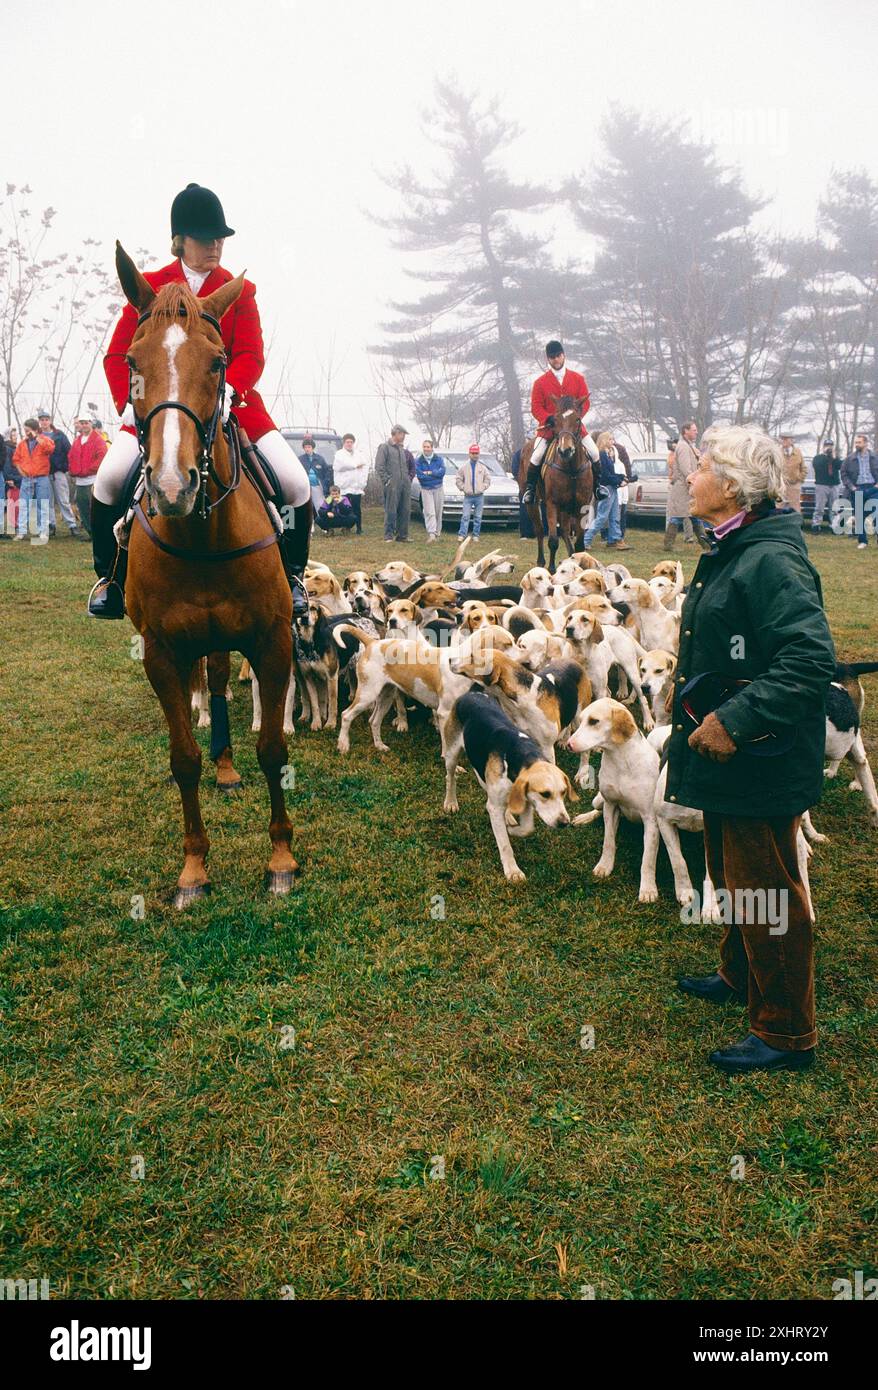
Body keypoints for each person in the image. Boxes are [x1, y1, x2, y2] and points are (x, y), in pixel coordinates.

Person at [668, 425, 835, 1075]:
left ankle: (786, 1030)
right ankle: (740, 975)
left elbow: (808, 658)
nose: (690, 474)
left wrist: (734, 720)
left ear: (733, 487)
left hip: (758, 751)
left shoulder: (771, 560)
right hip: (734, 752)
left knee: (765, 886)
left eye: (702, 467)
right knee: (733, 872)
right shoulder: (740, 543)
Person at [88, 182, 311, 619]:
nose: (215, 245)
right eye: (206, 237)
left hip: (235, 408)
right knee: (109, 480)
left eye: (220, 237)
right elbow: (118, 356)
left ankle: (293, 577)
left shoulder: (239, 291)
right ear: (180, 240)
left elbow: (250, 354)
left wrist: (231, 389)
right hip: (157, 411)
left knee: (296, 483)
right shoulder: (149, 287)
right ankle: (111, 580)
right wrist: (138, 402)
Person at [521, 340, 599, 504]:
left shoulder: (577, 378)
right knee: (536, 456)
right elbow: (536, 407)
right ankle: (530, 490)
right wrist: (547, 418)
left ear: (563, 355)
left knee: (594, 451)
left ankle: (599, 487)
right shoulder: (540, 382)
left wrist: (575, 420)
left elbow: (585, 403)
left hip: (573, 429)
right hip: (549, 429)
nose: (556, 360)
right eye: (552, 357)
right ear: (548, 359)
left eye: (558, 356)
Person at [580, 431, 630, 552]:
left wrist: (621, 478)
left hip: (611, 487)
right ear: (604, 441)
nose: (613, 442)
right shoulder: (601, 454)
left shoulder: (607, 454)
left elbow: (610, 473)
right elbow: (605, 475)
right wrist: (619, 481)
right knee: (602, 517)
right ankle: (585, 540)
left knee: (614, 515)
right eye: (610, 439)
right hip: (607, 488)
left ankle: (615, 539)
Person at [666, 422, 710, 551]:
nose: (696, 432)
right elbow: (686, 470)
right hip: (683, 488)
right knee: (677, 517)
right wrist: (696, 482)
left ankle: (706, 544)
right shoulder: (684, 447)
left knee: (695, 517)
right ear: (686, 431)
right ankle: (668, 545)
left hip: (687, 488)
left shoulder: (688, 445)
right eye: (694, 430)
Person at [37, 409, 80, 539]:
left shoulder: (59, 435)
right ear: (39, 422)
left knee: (63, 500)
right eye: (42, 420)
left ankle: (72, 525)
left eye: (46, 419)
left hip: (58, 473)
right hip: (43, 474)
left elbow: (70, 451)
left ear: (50, 420)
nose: (44, 422)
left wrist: (65, 467)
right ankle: (51, 525)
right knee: (48, 501)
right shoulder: (37, 436)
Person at [12, 418, 55, 544]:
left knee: (43, 505)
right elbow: (16, 459)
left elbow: (50, 449)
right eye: (25, 430)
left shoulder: (45, 440)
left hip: (42, 478)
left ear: (35, 430)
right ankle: (21, 531)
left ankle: (43, 532)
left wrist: (37, 437)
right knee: (24, 505)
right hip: (27, 479)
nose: (26, 433)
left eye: (28, 430)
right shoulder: (22, 443)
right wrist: (21, 471)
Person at [68, 413, 107, 537]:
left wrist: (87, 470)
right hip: (80, 482)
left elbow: (101, 457)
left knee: (95, 509)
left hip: (93, 480)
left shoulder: (98, 439)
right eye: (82, 423)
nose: (84, 425)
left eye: (86, 423)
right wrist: (73, 470)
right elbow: (71, 457)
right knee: (82, 508)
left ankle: (99, 532)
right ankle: (90, 532)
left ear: (91, 424)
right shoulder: (77, 441)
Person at [841, 432, 878, 549]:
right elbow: (843, 474)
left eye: (859, 442)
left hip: (873, 488)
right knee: (859, 514)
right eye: (856, 442)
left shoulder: (875, 457)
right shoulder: (849, 459)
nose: (857, 444)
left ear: (866, 443)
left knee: (876, 512)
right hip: (858, 488)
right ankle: (863, 541)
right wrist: (852, 487)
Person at [375, 424, 411, 543]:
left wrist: (407, 480)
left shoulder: (401, 448)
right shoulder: (384, 447)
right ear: (396, 433)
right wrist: (387, 481)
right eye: (402, 434)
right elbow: (379, 466)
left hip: (404, 484)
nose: (404, 436)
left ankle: (402, 536)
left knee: (405, 510)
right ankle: (388, 535)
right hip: (392, 484)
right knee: (391, 510)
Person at [332, 433, 368, 536]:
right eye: (347, 442)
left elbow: (364, 466)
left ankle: (359, 528)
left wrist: (363, 483)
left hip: (356, 487)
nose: (349, 444)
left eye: (351, 442)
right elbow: (340, 466)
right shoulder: (339, 454)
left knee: (357, 508)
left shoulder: (358, 454)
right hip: (344, 487)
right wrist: (355, 466)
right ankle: (346, 527)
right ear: (344, 443)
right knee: (344, 508)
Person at [455, 444, 490, 541]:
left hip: (479, 496)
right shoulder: (464, 467)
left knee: (478, 517)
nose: (475, 455)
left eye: (476, 453)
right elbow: (458, 479)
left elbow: (487, 479)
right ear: (469, 454)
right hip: (468, 496)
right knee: (465, 516)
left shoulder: (482, 467)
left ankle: (476, 535)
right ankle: (462, 534)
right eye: (473, 453)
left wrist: (483, 487)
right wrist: (463, 488)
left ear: (479, 454)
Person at [414, 439, 446, 541]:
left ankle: (437, 534)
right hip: (426, 489)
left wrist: (429, 473)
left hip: (438, 488)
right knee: (429, 512)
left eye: (428, 447)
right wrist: (433, 474)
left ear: (432, 448)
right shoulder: (418, 461)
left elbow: (442, 473)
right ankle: (431, 534)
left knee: (437, 512)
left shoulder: (439, 459)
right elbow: (420, 476)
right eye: (424, 447)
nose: (426, 449)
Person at [810, 439, 841, 534]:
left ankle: (834, 525)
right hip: (822, 485)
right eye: (827, 445)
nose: (829, 447)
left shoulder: (835, 458)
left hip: (834, 485)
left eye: (831, 445)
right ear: (823, 446)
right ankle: (816, 524)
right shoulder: (818, 458)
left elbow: (840, 466)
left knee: (834, 508)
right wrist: (826, 456)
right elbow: (817, 466)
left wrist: (834, 457)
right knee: (819, 507)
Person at [2, 427, 22, 538]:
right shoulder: (7, 448)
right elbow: (7, 467)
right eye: (13, 435)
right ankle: (13, 526)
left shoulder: (15, 448)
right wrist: (12, 479)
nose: (16, 437)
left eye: (16, 435)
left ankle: (15, 526)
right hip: (11, 481)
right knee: (12, 505)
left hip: (17, 479)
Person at [780, 434, 806, 513]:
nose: (783, 441)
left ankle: (796, 524)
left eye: (786, 439)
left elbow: (804, 468)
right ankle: (777, 524)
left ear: (791, 441)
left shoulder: (798, 452)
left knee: (795, 507)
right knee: (778, 506)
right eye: (782, 439)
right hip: (780, 485)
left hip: (794, 485)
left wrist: (799, 479)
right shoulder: (777, 452)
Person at [300, 434, 332, 498]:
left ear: (313, 448)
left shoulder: (320, 459)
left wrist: (325, 483)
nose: (307, 449)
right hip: (305, 488)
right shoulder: (300, 459)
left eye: (309, 447)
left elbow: (327, 472)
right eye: (305, 447)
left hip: (318, 487)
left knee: (320, 506)